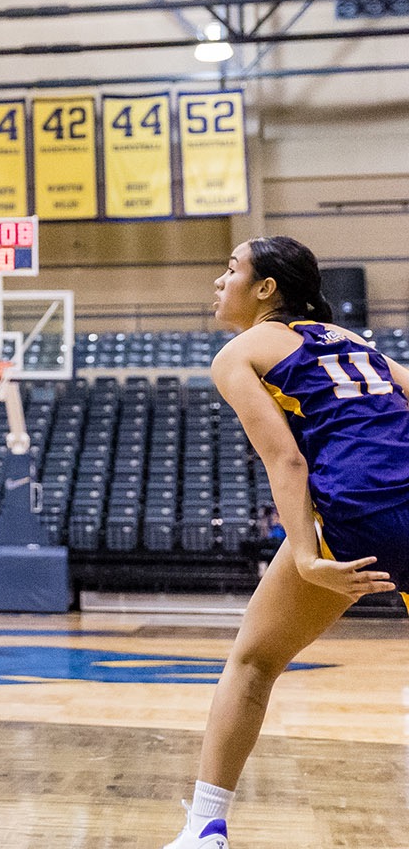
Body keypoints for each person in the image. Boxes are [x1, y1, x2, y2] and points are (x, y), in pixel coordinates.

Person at [161, 237, 409, 849]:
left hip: (359, 511)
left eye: (231, 270)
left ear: (266, 288)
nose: (220, 282)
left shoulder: (239, 353)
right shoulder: (356, 343)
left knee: (253, 662)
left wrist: (304, 554)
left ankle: (205, 830)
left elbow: (286, 460)